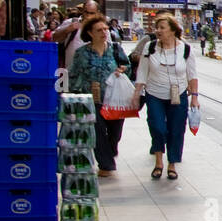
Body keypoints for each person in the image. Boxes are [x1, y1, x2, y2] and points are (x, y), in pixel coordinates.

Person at [135, 13, 198, 181]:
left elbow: (192, 74)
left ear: (172, 30)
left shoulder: (185, 49)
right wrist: (137, 93)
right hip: (154, 93)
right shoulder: (150, 46)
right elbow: (142, 71)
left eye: (162, 28)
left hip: (179, 94)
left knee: (176, 129)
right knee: (157, 127)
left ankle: (171, 164)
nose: (158, 31)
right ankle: (158, 161)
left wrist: (195, 97)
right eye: (157, 28)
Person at [69, 16, 129, 177]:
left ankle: (110, 151)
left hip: (115, 99)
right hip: (91, 98)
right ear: (90, 33)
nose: (104, 32)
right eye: (99, 30)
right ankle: (106, 164)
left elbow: (127, 66)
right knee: (98, 130)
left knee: (115, 133)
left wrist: (123, 70)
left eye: (105, 29)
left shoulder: (115, 49)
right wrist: (73, 96)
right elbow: (74, 74)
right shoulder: (82, 53)